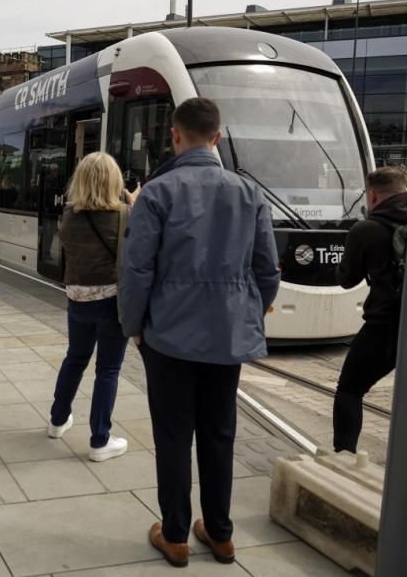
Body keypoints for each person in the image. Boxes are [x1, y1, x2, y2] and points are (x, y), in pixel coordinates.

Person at [119, 97, 280, 568]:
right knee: (219, 432)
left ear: (174, 135)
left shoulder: (157, 192)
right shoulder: (249, 193)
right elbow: (267, 271)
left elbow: (137, 271)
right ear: (218, 135)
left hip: (167, 336)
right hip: (225, 336)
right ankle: (221, 533)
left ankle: (174, 536)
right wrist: (244, 313)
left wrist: (135, 327)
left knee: (173, 435)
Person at [47, 152, 138, 462]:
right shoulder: (124, 214)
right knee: (108, 369)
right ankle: (100, 440)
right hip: (112, 302)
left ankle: (58, 420)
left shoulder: (70, 215)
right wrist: (134, 205)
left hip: (77, 299)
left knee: (75, 358)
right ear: (113, 180)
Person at [334, 166, 407, 453]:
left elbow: (347, 278)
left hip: (385, 326)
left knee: (350, 389)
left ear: (373, 195)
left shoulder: (366, 229)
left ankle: (343, 458)